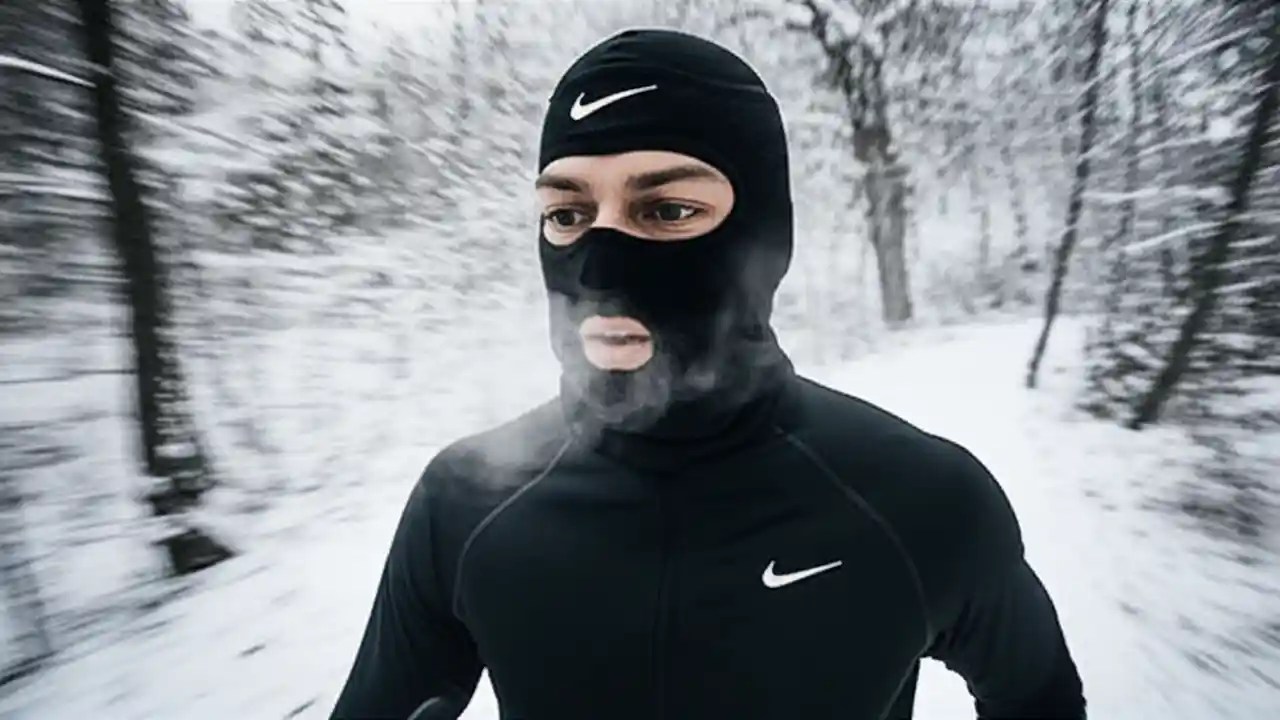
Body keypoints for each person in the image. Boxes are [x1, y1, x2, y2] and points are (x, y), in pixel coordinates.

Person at [331, 28, 1086, 720]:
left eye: (665, 211)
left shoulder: (917, 498)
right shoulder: (462, 504)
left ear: (765, 233)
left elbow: (1041, 703)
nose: (599, 265)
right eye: (567, 215)